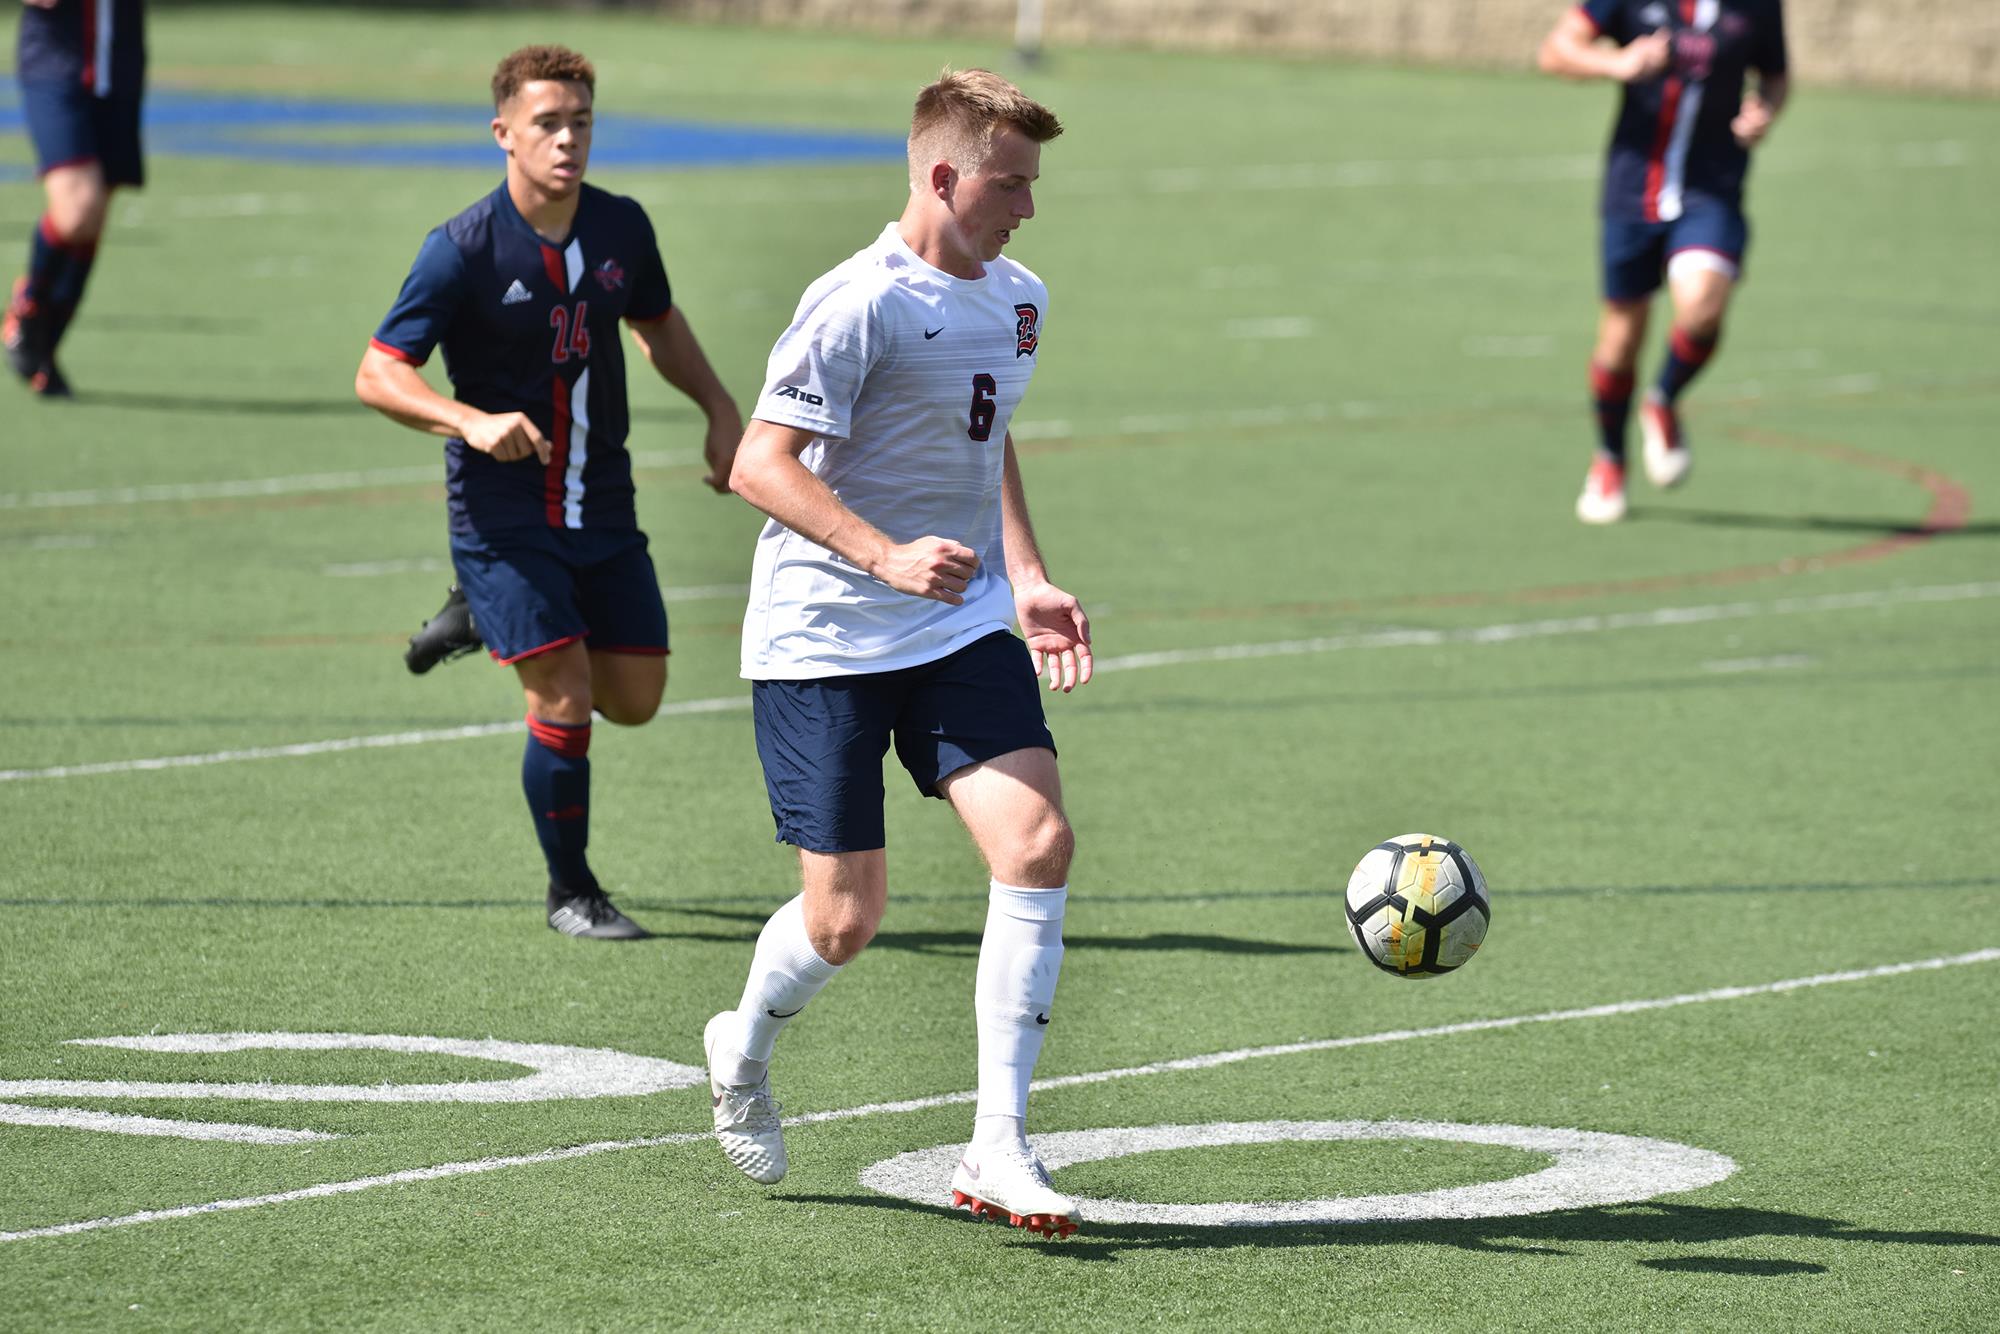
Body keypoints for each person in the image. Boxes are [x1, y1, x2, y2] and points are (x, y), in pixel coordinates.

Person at [702, 69, 1090, 1238]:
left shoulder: (1017, 297)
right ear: (943, 175)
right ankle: (743, 1040)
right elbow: (757, 465)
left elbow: (985, 432)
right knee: (843, 920)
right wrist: (880, 554)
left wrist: (1023, 575)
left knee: (1035, 840)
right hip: (822, 631)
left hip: (956, 622)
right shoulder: (853, 301)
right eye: (1009, 184)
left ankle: (996, 1145)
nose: (1026, 207)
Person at [354, 45, 741, 940]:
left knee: (636, 698)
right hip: (503, 510)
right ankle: (572, 892)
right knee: (563, 692)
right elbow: (380, 374)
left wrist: (721, 411)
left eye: (581, 122)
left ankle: (484, 617)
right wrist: (468, 421)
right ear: (504, 134)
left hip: (601, 499)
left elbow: (656, 322)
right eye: (547, 124)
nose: (568, 140)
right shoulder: (459, 251)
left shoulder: (620, 229)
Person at [1539, 1, 1789, 523]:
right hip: (1633, 190)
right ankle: (1609, 458)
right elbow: (1556, 51)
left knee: (1701, 307)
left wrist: (1763, 111)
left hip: (1712, 189)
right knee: (1620, 340)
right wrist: (1618, 64)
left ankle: (1664, 397)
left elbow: (1776, 77)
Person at [4, 0, 146, 398]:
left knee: (96, 211)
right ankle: (28, 307)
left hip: (119, 62)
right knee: (78, 207)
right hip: (55, 61)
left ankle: (46, 347)